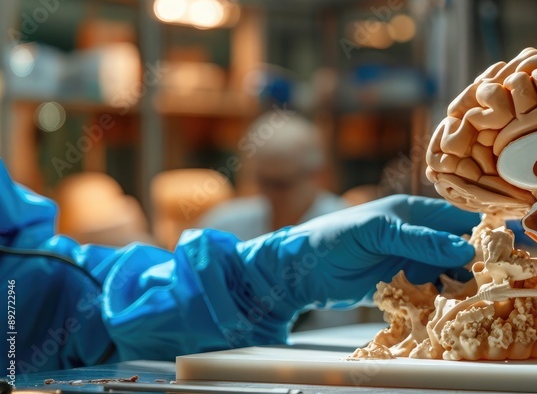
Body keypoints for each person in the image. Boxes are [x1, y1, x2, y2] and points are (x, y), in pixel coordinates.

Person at [0, 162, 478, 373]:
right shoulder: (229, 219)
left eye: (286, 181)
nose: (274, 194)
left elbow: (61, 303)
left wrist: (266, 276)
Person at [199, 110, 349, 240]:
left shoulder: (343, 228)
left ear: (316, 176)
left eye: (281, 184)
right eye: (264, 181)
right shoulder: (225, 225)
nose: (271, 194)